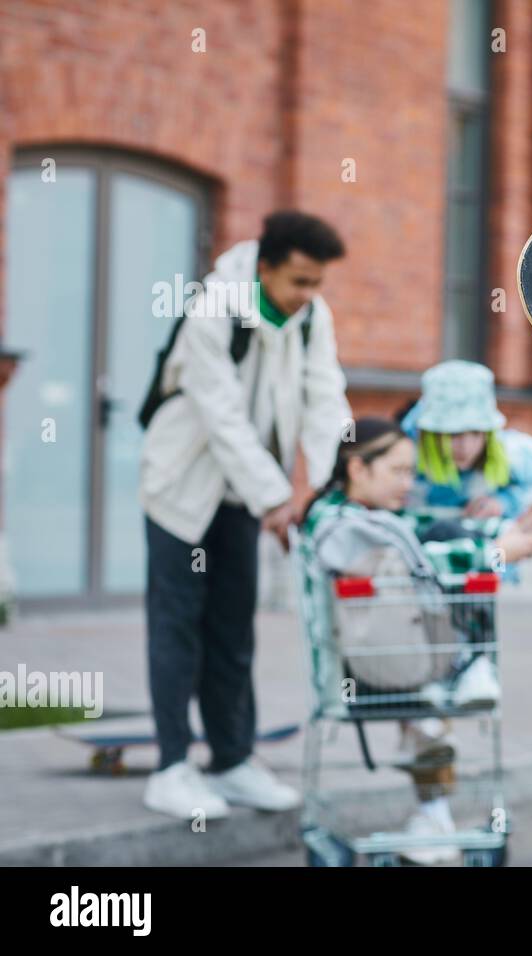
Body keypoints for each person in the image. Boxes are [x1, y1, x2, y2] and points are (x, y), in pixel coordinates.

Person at [139, 210, 352, 820]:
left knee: (234, 631)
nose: (309, 295)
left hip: (243, 495)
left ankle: (232, 762)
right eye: (300, 281)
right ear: (266, 268)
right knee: (178, 627)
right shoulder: (214, 309)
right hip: (182, 491)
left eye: (317, 284)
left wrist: (332, 485)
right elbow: (221, 417)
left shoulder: (312, 319)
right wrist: (278, 499)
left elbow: (324, 398)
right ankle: (172, 768)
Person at [301, 416, 532, 864]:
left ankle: (433, 806)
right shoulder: (340, 525)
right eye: (398, 472)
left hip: (384, 654)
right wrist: (498, 553)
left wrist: (506, 534)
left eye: (410, 471)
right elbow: (413, 561)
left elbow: (423, 529)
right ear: (359, 468)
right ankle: (464, 674)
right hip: (368, 667)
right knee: (451, 568)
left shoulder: (363, 513)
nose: (409, 482)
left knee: (447, 534)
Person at [398, 361, 532, 584]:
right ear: (432, 433)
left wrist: (505, 502)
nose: (466, 448)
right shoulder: (407, 454)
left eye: (476, 433)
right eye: (454, 435)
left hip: (483, 559)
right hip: (427, 560)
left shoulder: (509, 451)